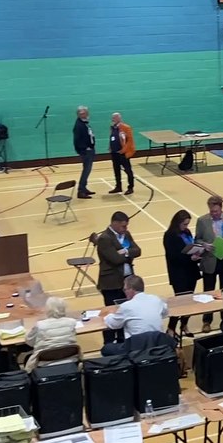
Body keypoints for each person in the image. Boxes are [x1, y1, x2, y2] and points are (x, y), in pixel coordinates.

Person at [195, 195, 223, 330]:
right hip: (210, 260)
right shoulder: (202, 221)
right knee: (208, 292)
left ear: (221, 207)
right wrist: (204, 245)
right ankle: (207, 321)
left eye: (216, 211)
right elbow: (197, 239)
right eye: (211, 211)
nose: (213, 214)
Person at [96, 211, 141, 344]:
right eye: (123, 226)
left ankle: (123, 341)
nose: (125, 228)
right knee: (111, 314)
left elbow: (138, 251)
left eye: (126, 226)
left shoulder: (126, 234)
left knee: (125, 313)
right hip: (111, 283)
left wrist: (125, 251)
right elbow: (115, 259)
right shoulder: (105, 238)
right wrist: (128, 254)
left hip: (127, 281)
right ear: (114, 223)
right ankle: (109, 344)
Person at [102, 275, 168, 355]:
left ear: (131, 289)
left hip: (136, 348)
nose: (124, 292)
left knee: (106, 349)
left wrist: (109, 315)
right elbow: (165, 313)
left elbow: (113, 324)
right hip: (158, 344)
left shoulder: (126, 306)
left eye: (125, 289)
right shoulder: (156, 299)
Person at [163, 209, 200, 334]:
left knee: (189, 301)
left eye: (187, 224)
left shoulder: (187, 232)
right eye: (184, 224)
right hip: (179, 274)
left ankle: (184, 325)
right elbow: (173, 256)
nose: (186, 227)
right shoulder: (169, 236)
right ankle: (171, 328)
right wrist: (190, 258)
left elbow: (192, 246)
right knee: (180, 302)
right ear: (177, 222)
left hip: (191, 271)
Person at [24, 296, 79, 366]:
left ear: (47, 309)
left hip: (45, 363)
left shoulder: (40, 325)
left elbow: (30, 342)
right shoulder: (72, 322)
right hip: (70, 359)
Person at [107, 112, 136, 195]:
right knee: (116, 170)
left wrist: (123, 150)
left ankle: (130, 187)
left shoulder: (126, 127)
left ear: (119, 118)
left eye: (114, 117)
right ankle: (118, 186)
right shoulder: (113, 127)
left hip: (123, 154)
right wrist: (110, 147)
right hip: (114, 153)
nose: (113, 119)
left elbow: (130, 141)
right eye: (112, 117)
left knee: (128, 170)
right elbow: (112, 137)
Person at [73, 106, 96, 199]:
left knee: (87, 170)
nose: (84, 114)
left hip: (90, 150)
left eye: (85, 113)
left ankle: (84, 187)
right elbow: (77, 140)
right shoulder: (79, 125)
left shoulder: (85, 123)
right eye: (81, 113)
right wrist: (84, 149)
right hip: (86, 151)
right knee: (86, 171)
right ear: (78, 114)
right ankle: (81, 191)